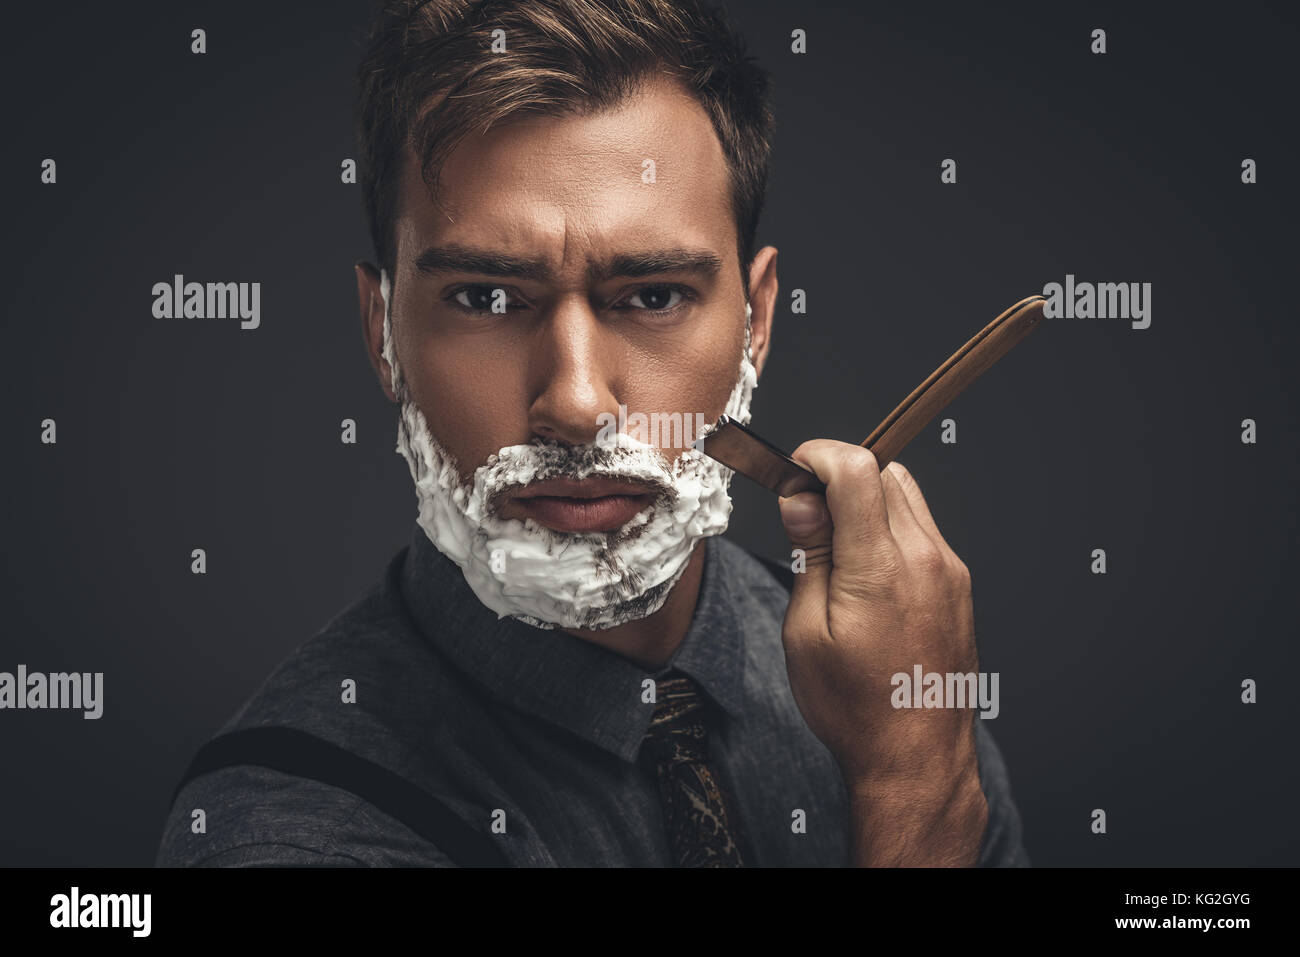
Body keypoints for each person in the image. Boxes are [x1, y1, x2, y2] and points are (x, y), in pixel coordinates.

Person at [155, 0, 1029, 867]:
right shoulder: (289, 826)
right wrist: (918, 796)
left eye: (652, 296)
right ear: (383, 334)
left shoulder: (893, 690)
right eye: (487, 297)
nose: (575, 404)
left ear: (756, 324)